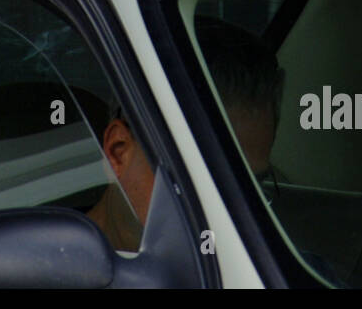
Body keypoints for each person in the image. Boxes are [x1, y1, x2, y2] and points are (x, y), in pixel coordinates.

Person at [86, 14, 284, 252]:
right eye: (197, 187)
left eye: (253, 191)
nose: (232, 221)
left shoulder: (269, 270)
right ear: (118, 152)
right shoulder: (46, 272)